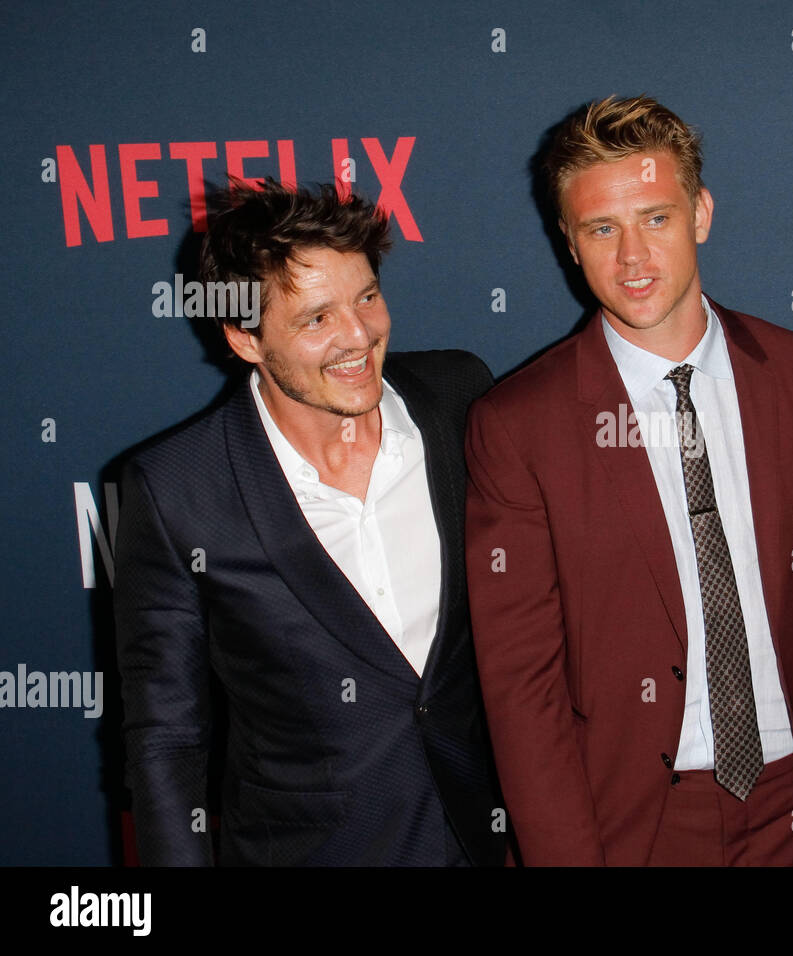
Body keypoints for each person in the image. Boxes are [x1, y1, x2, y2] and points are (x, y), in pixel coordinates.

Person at [465, 96, 793, 865]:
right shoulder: (518, 423)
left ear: (701, 213)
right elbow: (521, 689)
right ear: (568, 244)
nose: (632, 258)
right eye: (601, 229)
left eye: (656, 219)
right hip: (635, 825)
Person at [115, 179, 504, 866]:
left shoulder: (458, 398)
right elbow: (166, 740)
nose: (359, 336)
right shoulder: (178, 490)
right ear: (245, 338)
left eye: (366, 298)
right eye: (316, 319)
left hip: (481, 839)